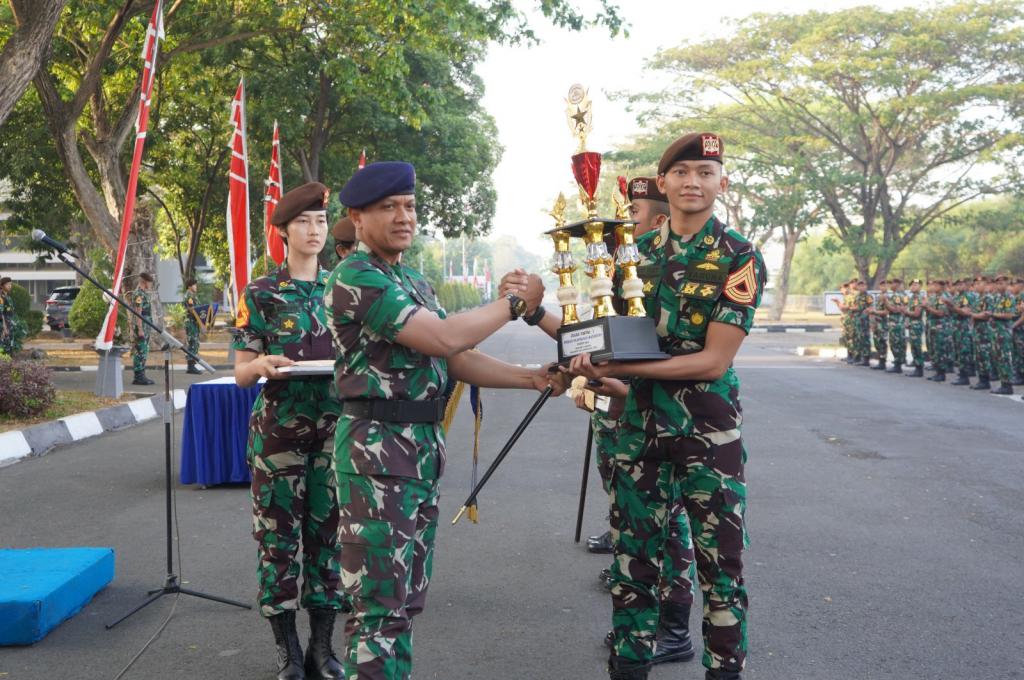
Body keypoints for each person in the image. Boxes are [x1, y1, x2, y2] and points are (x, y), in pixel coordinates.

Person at [325, 161, 560, 680]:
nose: (403, 216)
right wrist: (515, 302)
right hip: (376, 458)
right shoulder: (356, 276)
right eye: (388, 207)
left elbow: (453, 359)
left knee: (405, 603)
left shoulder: (410, 278)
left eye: (408, 205)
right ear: (356, 219)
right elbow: (445, 338)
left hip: (417, 454)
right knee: (378, 611)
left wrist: (532, 377)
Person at [568, 133, 766, 680]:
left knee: (720, 571)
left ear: (721, 184)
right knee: (633, 567)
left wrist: (621, 369)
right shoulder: (636, 256)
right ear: (664, 183)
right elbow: (610, 338)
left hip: (709, 435)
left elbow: (711, 362)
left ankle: (723, 671)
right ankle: (628, 669)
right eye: (682, 172)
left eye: (705, 172)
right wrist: (586, 362)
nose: (693, 182)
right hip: (638, 429)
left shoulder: (739, 256)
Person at [503, 175, 698, 666]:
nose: (620, 224)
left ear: (656, 221)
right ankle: (647, 623)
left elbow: (664, 360)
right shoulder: (618, 273)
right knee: (634, 525)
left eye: (631, 216)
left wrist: (621, 385)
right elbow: (586, 339)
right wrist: (535, 314)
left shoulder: (659, 279)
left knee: (669, 529)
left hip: (660, 421)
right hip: (620, 419)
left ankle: (673, 630)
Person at [234, 182, 347, 680]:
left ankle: (323, 650)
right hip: (278, 435)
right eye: (304, 222)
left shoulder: (346, 287)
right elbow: (240, 372)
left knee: (329, 540)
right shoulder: (260, 291)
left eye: (321, 221)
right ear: (283, 231)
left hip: (333, 432)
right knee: (277, 544)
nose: (315, 230)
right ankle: (287, 653)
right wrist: (262, 362)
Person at [989, 275, 1015, 395]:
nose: (1000, 285)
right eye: (998, 283)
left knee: (1004, 358)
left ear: (1007, 284)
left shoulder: (1009, 297)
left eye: (1002, 283)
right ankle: (1003, 383)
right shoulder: (996, 298)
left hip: (1004, 332)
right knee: (998, 358)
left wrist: (993, 315)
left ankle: (1007, 385)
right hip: (996, 332)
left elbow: (1009, 315)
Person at [969, 276, 994, 391]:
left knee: (984, 355)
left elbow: (986, 315)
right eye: (976, 284)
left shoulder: (988, 298)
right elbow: (976, 314)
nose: (979, 286)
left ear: (986, 285)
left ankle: (985, 380)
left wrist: (973, 315)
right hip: (977, 331)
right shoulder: (977, 298)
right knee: (978, 355)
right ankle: (982, 379)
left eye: (981, 283)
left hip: (985, 331)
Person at [131, 272, 156, 385]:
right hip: (141, 325)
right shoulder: (139, 295)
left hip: (146, 325)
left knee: (144, 350)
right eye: (150, 282)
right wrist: (140, 329)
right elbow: (138, 313)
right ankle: (139, 376)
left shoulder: (143, 293)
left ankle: (141, 375)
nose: (151, 285)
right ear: (145, 282)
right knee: (140, 350)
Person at [884, 278, 907, 373]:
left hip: (896, 323)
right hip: (898, 323)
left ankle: (898, 365)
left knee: (896, 344)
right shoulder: (903, 295)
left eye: (891, 283)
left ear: (896, 284)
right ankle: (899, 363)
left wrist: (885, 301)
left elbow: (895, 309)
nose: (890, 285)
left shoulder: (896, 296)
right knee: (899, 344)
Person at [904, 279, 925, 377]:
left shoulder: (918, 298)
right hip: (912, 324)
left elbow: (917, 313)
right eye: (912, 285)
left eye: (916, 285)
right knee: (913, 346)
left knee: (916, 346)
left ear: (920, 287)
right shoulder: (912, 298)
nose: (913, 287)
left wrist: (905, 312)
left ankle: (919, 368)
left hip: (916, 325)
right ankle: (917, 366)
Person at [183, 278, 203, 374]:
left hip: (194, 322)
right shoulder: (189, 296)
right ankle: (191, 366)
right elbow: (192, 310)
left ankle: (191, 365)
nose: (196, 287)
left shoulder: (192, 296)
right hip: (191, 322)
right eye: (194, 285)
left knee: (194, 343)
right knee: (192, 343)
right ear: (190, 286)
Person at [869, 279, 889, 370]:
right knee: (877, 342)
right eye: (881, 285)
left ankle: (883, 361)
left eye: (885, 285)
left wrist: (874, 311)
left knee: (882, 342)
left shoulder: (887, 297)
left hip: (883, 323)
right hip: (877, 322)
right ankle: (880, 360)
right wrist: (873, 322)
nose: (883, 287)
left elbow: (886, 312)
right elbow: (876, 311)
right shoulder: (879, 297)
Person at [851, 279, 872, 366]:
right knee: (858, 339)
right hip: (857, 321)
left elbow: (870, 308)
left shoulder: (868, 297)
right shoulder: (857, 296)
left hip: (864, 321)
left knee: (865, 339)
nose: (861, 287)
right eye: (860, 285)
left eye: (863, 285)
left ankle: (866, 359)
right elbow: (855, 306)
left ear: (866, 286)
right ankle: (858, 357)